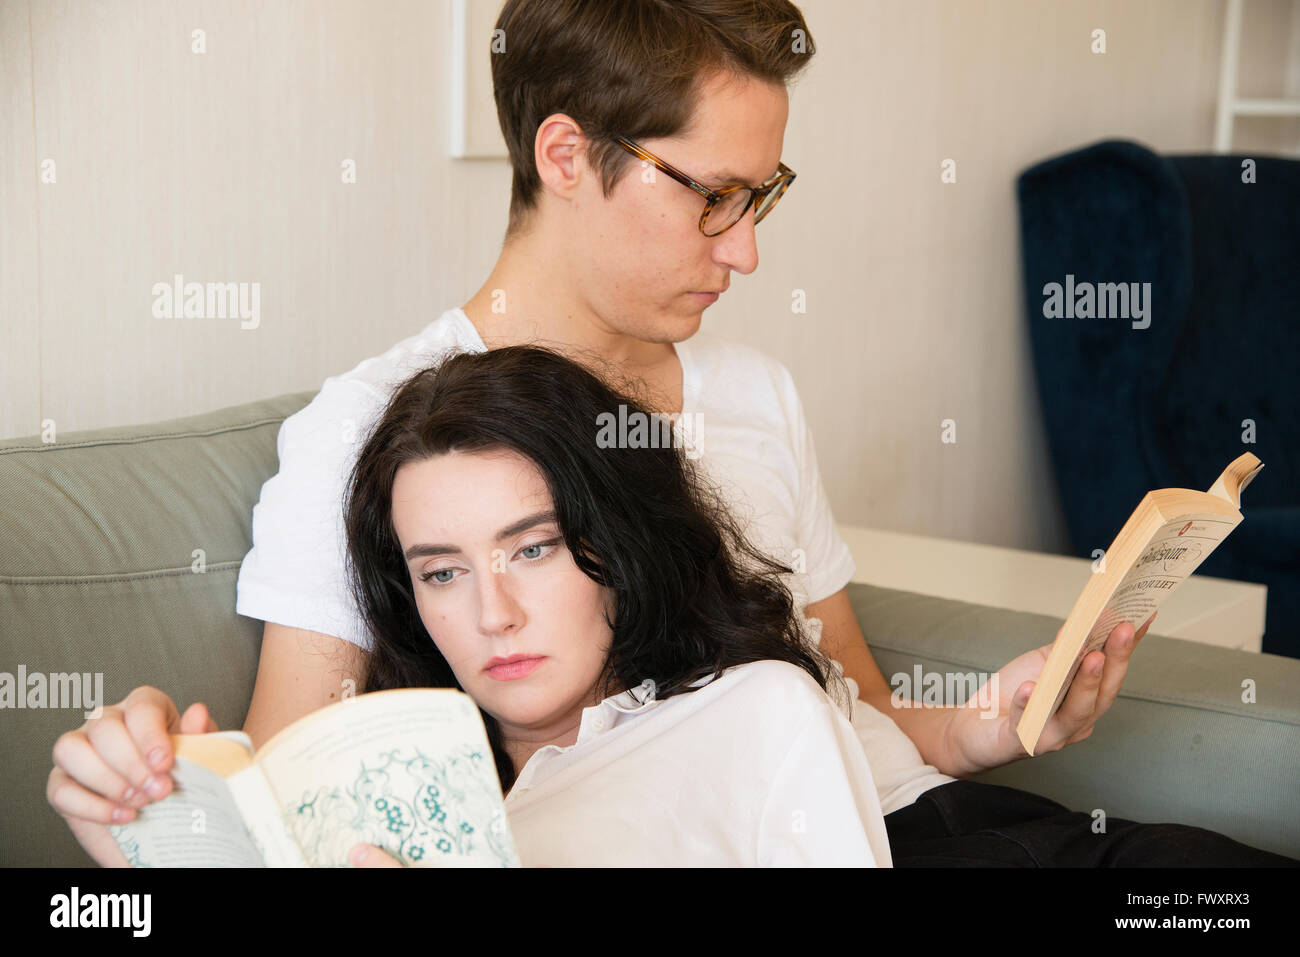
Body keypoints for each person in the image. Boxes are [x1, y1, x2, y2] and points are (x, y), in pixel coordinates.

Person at [46, 0, 1291, 867]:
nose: (744, 251)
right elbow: (297, 794)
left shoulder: (753, 391)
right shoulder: (376, 434)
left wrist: (988, 725)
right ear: (566, 154)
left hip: (926, 827)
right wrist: (149, 795)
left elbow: (852, 705)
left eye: (763, 199)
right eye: (713, 198)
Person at [341, 344, 890, 866]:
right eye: (442, 573)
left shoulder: (762, 714)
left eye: (534, 549)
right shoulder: (374, 794)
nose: (494, 616)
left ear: (622, 543)